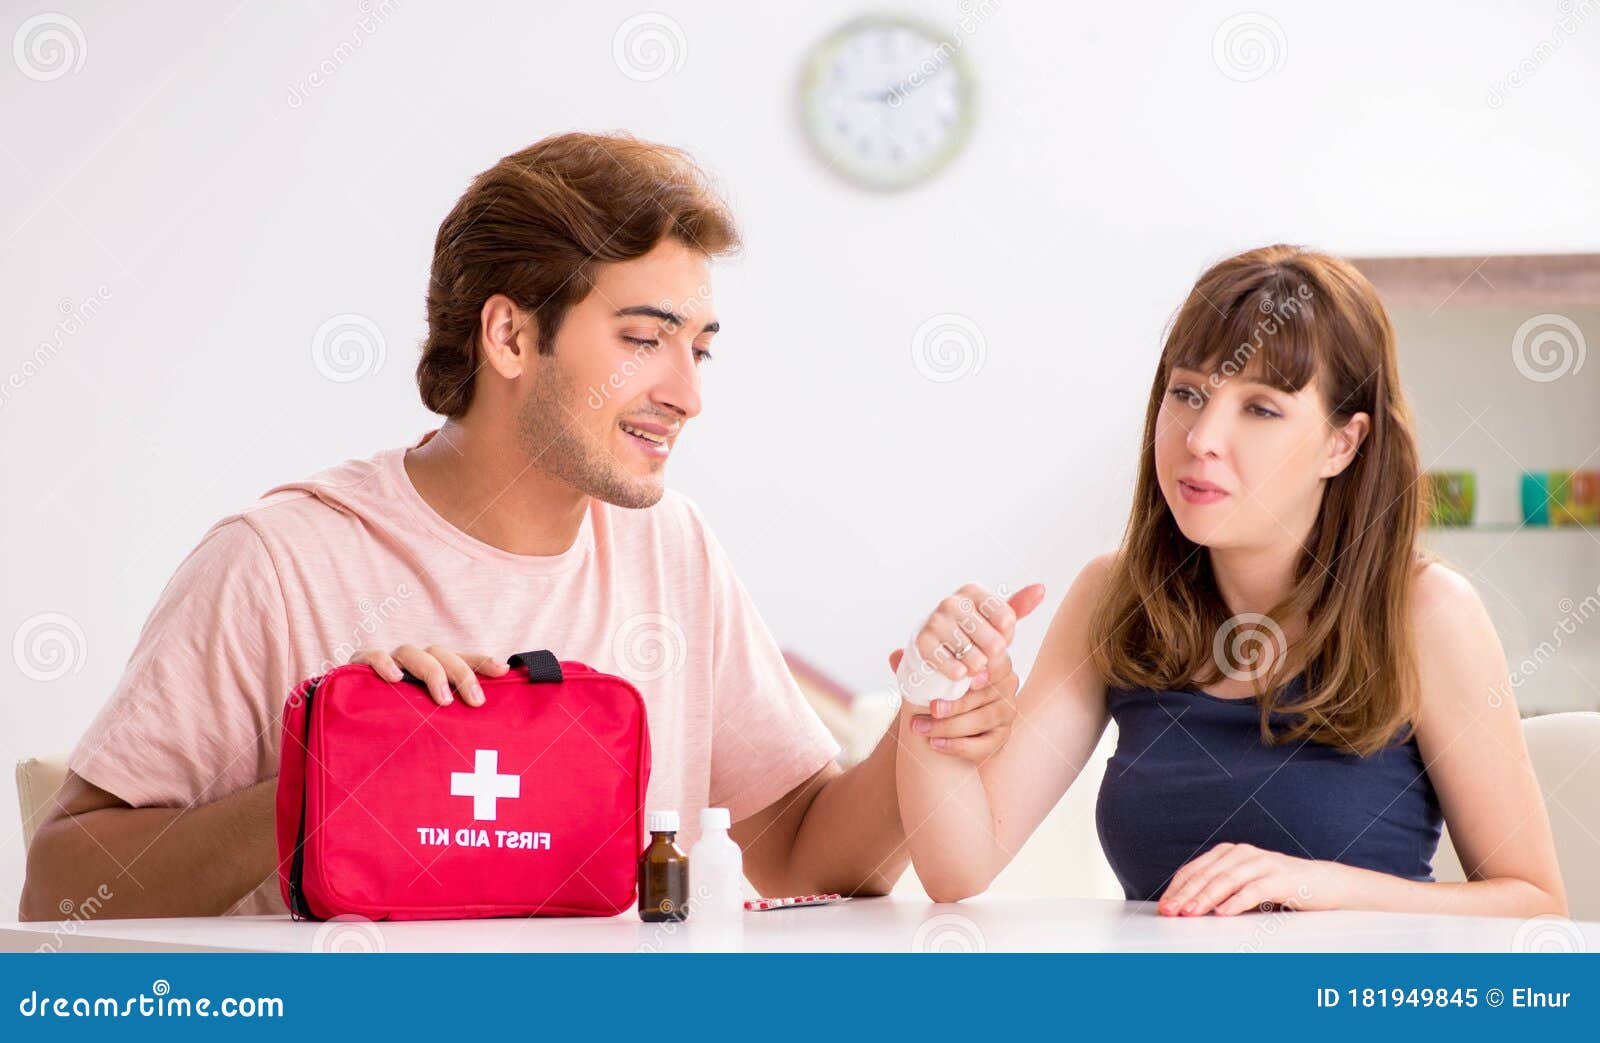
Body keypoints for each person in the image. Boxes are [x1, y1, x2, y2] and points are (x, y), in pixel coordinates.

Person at [20, 132, 1028, 920]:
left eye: (700, 350)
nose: (685, 393)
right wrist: (324, 779)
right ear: (508, 334)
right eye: (642, 339)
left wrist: (924, 726)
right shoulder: (280, 559)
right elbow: (59, 889)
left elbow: (796, 846)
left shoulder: (667, 547)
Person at [894, 245, 1568, 918]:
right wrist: (934, 686)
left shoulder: (1426, 611)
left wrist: (1315, 885)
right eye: (1188, 394)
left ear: (1344, 442)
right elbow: (961, 864)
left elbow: (1536, 907)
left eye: (1262, 408)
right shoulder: (1113, 597)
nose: (1202, 438)